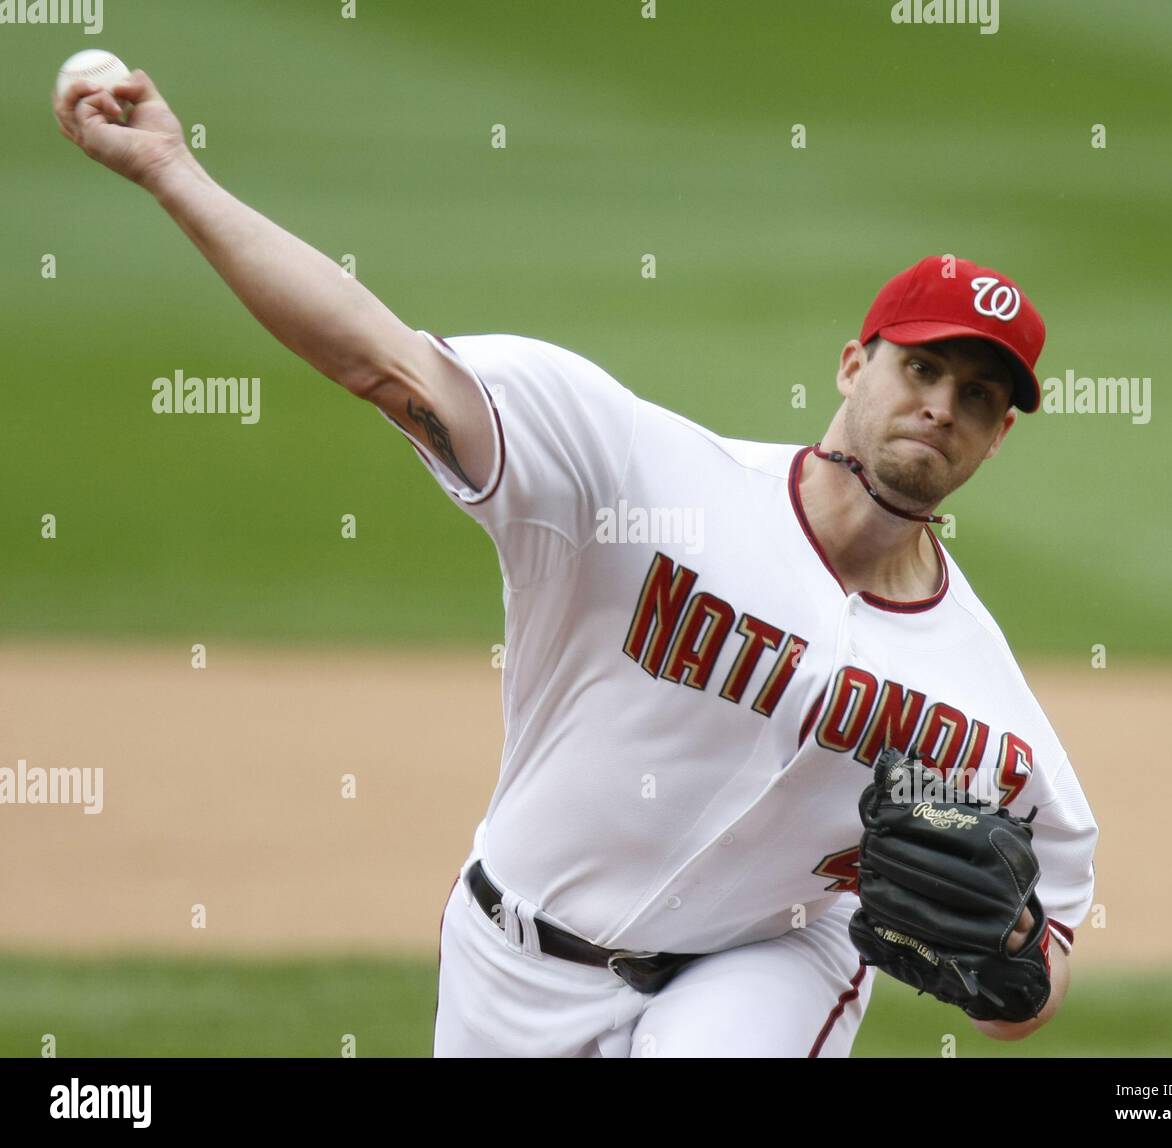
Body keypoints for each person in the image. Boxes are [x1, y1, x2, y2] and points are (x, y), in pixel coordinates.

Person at [54, 71, 1098, 1059]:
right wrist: (171, 173)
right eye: (921, 367)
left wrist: (1010, 966)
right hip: (506, 949)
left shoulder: (984, 703)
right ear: (852, 363)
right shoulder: (637, 473)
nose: (941, 408)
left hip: (763, 960)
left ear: (998, 435)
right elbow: (379, 358)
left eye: (978, 397)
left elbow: (1037, 962)